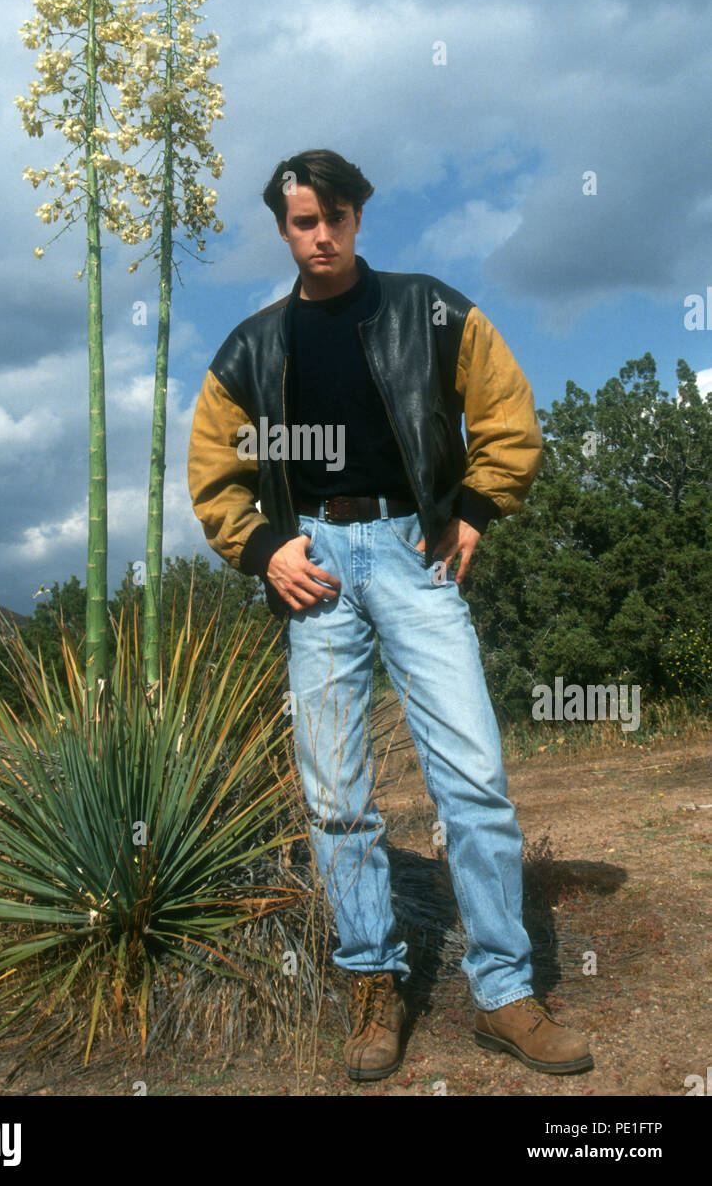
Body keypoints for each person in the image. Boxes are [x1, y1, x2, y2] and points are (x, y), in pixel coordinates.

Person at [187, 148, 593, 1083]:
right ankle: (374, 980)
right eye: (300, 220)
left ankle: (504, 993)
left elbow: (506, 414)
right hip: (317, 566)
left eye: (334, 216)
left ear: (358, 218)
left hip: (417, 553)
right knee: (336, 798)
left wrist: (479, 509)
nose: (319, 234)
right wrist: (260, 548)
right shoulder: (253, 347)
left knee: (475, 780)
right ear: (283, 228)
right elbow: (217, 467)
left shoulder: (431, 308)